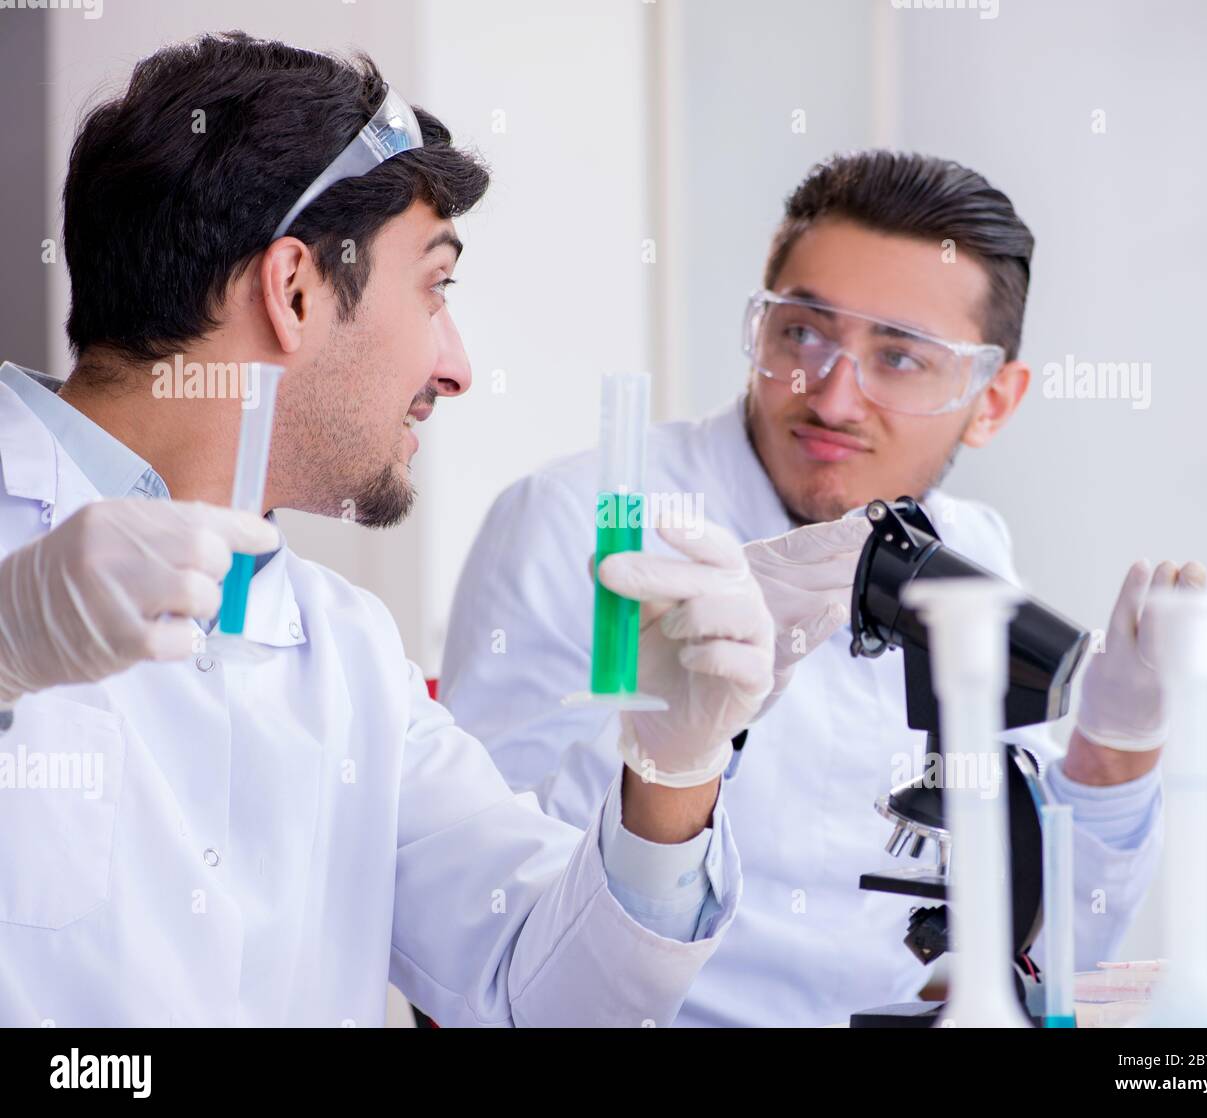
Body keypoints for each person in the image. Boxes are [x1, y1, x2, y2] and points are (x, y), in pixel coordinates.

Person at [0, 31, 787, 1027]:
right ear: (293, 290)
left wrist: (673, 778)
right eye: (435, 288)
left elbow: (537, 994)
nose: (455, 365)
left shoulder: (349, 650)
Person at [441, 151, 1207, 1027]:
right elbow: (497, 927)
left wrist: (1114, 750)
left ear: (991, 402)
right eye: (801, 333)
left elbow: (1060, 959)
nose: (832, 398)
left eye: (901, 358)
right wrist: (676, 751)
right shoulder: (583, 520)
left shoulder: (970, 549)